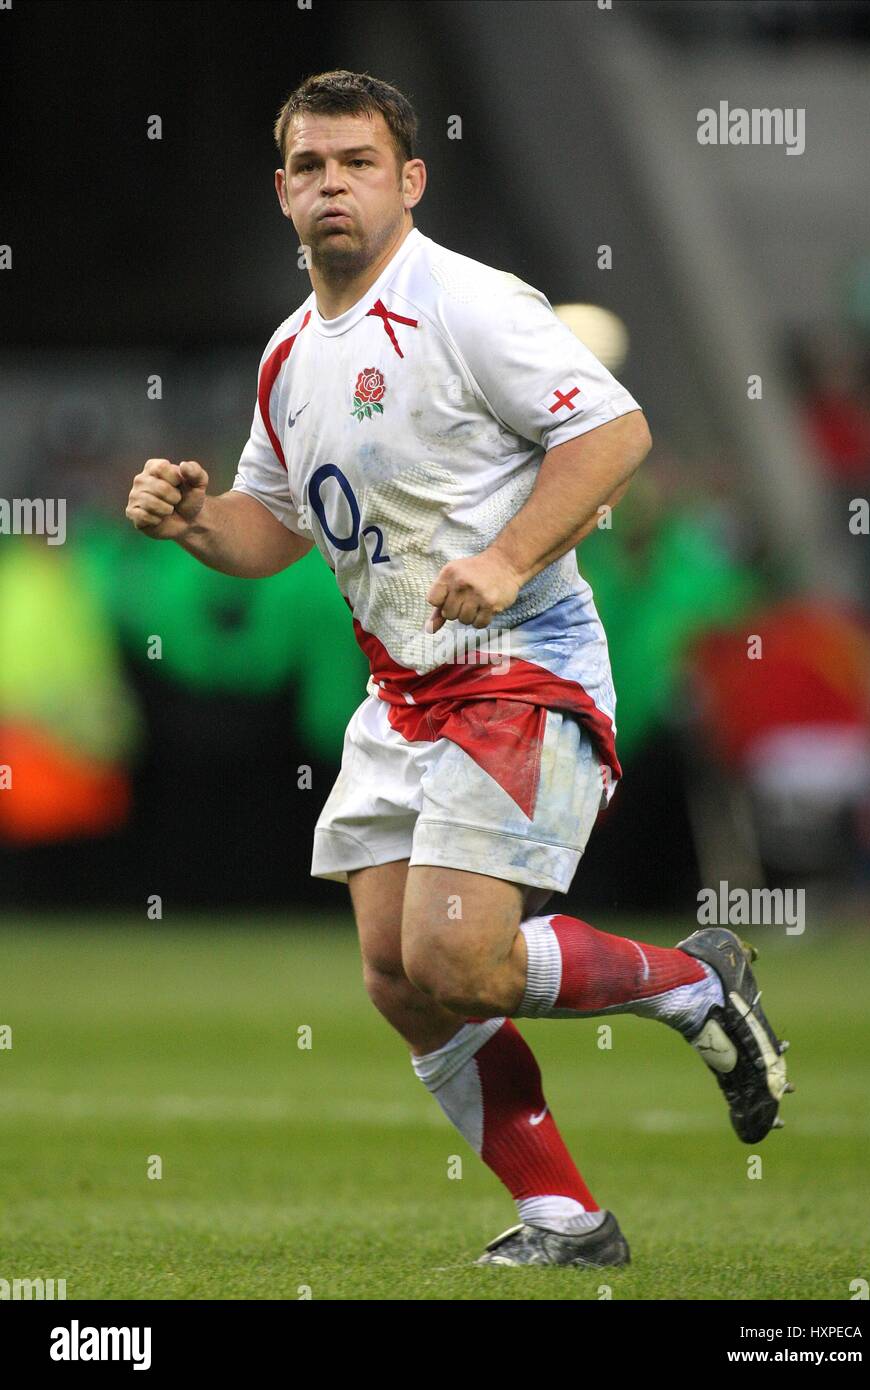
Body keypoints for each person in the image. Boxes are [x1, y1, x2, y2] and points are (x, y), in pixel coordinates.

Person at [125, 69, 790, 1268]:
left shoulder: (468, 303)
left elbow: (617, 432)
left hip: (517, 668)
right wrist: (194, 522)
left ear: (409, 179)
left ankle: (690, 980)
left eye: (359, 163)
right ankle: (566, 1219)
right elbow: (271, 530)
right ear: (282, 192)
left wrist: (505, 553)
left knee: (457, 957)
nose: (335, 184)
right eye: (312, 167)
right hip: (405, 694)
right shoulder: (289, 357)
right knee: (399, 979)